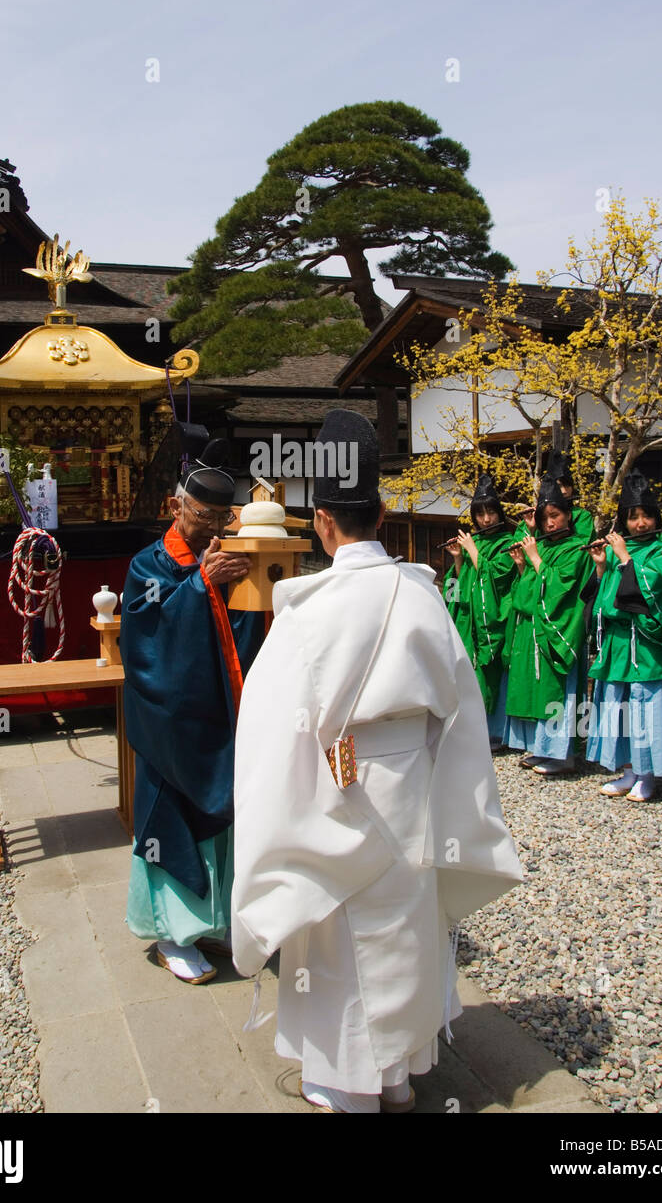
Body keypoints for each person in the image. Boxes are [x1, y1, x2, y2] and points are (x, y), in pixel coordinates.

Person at [231, 410, 522, 1114]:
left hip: (333, 784)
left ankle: (342, 1084)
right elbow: (460, 713)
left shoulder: (305, 611)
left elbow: (269, 734)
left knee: (332, 924)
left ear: (322, 521)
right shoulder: (423, 598)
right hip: (412, 783)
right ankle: (397, 1075)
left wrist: (277, 825)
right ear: (384, 512)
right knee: (403, 923)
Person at [120, 438, 264, 983]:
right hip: (170, 723)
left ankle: (215, 921)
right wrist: (201, 584)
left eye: (220, 517)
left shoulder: (231, 558)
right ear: (175, 507)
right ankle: (170, 933)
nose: (210, 527)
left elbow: (250, 632)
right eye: (201, 515)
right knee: (173, 816)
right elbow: (147, 643)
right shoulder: (147, 566)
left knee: (223, 818)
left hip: (221, 714)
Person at [584, 471, 662, 802]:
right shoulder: (614, 550)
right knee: (618, 706)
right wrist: (600, 566)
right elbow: (601, 600)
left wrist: (624, 559)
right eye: (633, 517)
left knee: (645, 707)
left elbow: (646, 594)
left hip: (645, 643)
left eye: (646, 516)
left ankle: (648, 774)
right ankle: (627, 769)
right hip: (617, 642)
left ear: (656, 518)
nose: (640, 524)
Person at [504, 471, 593, 775]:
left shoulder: (577, 548)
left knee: (558, 688)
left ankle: (563, 754)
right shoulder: (543, 547)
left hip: (560, 630)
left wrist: (535, 560)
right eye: (544, 519)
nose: (550, 523)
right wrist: (521, 565)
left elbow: (559, 590)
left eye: (555, 516)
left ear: (569, 515)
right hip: (537, 628)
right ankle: (543, 748)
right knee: (541, 689)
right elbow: (526, 597)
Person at [443, 474, 516, 750]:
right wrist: (459, 559)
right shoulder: (476, 542)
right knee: (469, 676)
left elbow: (498, 577)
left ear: (500, 513)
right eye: (480, 514)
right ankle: (472, 729)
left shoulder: (508, 541)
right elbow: (459, 586)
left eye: (491, 512)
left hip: (493, 620)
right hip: (470, 620)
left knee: (491, 675)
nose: (485, 520)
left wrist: (472, 551)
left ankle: (496, 733)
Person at [547, 450, 595, 543]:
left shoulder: (582, 516)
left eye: (567, 485)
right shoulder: (539, 516)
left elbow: (582, 544)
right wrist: (531, 527)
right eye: (559, 486)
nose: (564, 491)